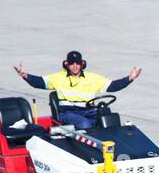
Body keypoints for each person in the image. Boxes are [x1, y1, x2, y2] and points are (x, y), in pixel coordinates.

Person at [13, 51, 142, 130]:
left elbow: (113, 86)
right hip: (68, 113)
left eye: (77, 63)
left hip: (89, 111)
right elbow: (38, 82)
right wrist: (25, 76)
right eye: (72, 63)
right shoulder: (58, 77)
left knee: (109, 118)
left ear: (82, 64)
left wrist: (130, 78)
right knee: (85, 124)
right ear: (67, 64)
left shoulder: (92, 78)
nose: (75, 66)